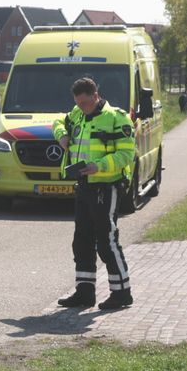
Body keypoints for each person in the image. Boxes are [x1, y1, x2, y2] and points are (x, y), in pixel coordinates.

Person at [53, 77, 136, 310]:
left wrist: (99, 165)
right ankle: (84, 292)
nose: (82, 108)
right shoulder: (77, 114)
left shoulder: (116, 118)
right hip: (84, 185)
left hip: (106, 186)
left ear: (96, 96)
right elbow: (59, 120)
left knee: (107, 241)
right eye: (78, 104)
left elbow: (126, 155)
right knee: (82, 241)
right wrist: (61, 135)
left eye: (86, 103)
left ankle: (122, 292)